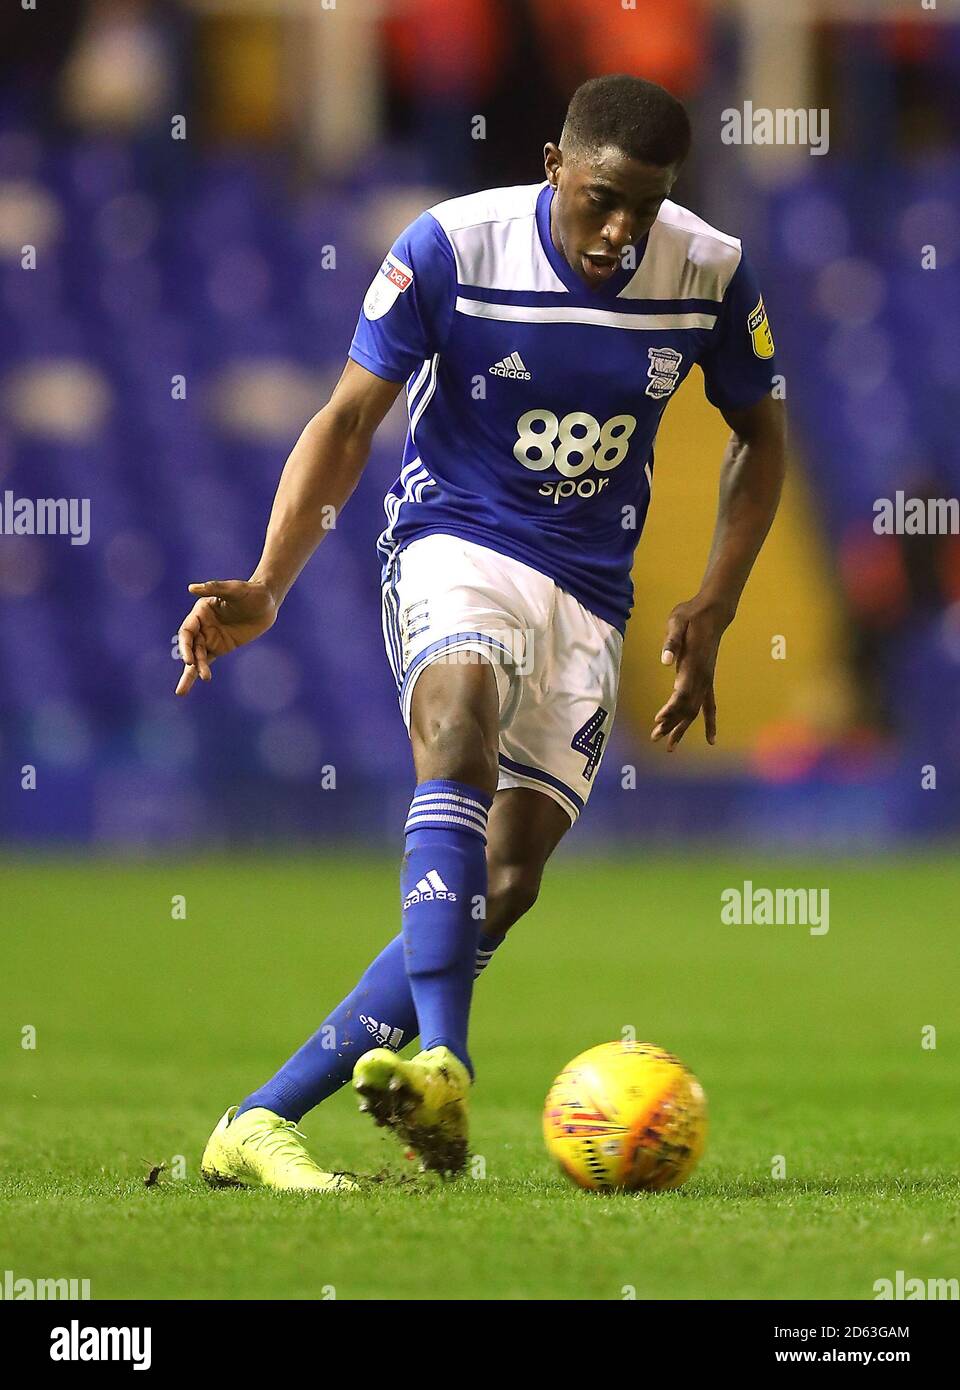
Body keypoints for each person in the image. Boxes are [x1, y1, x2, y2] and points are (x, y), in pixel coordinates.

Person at [176, 74, 786, 1191]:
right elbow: (349, 418)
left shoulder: (708, 266)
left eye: (642, 212)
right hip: (455, 539)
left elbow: (761, 436)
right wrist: (270, 580)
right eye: (601, 199)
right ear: (555, 160)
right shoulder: (450, 245)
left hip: (592, 592)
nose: (619, 232)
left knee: (506, 880)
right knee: (456, 719)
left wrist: (715, 599)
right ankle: (448, 1061)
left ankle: (255, 1121)